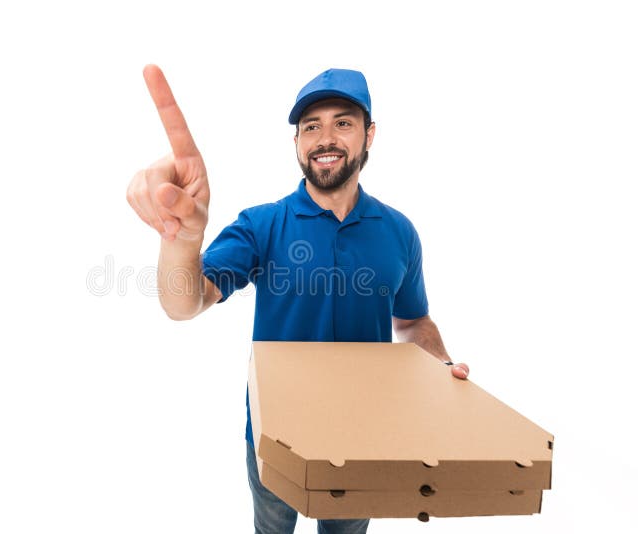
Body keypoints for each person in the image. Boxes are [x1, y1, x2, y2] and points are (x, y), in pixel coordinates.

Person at [127, 64, 470, 534]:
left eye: (342, 123)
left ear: (370, 135)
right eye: (311, 126)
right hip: (275, 439)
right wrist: (179, 240)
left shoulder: (399, 232)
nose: (325, 138)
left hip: (364, 437)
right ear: (296, 143)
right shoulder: (262, 225)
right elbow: (185, 303)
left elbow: (412, 322)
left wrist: (440, 368)